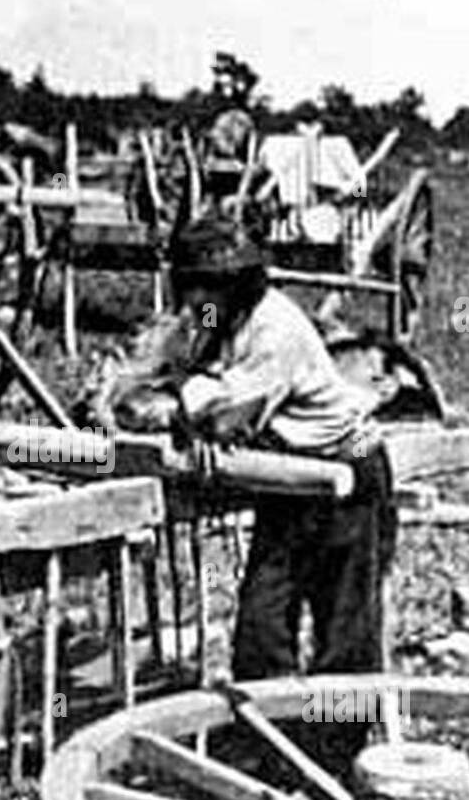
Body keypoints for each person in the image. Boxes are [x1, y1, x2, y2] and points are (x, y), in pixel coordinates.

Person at [108, 214, 397, 696]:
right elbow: (183, 368)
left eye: (208, 291)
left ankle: (333, 754)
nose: (198, 304)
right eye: (192, 290)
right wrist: (165, 390)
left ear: (236, 285)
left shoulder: (275, 330)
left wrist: (181, 407)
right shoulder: (214, 315)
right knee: (262, 627)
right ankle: (270, 739)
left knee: (343, 631)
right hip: (289, 476)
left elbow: (225, 417)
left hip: (346, 472)